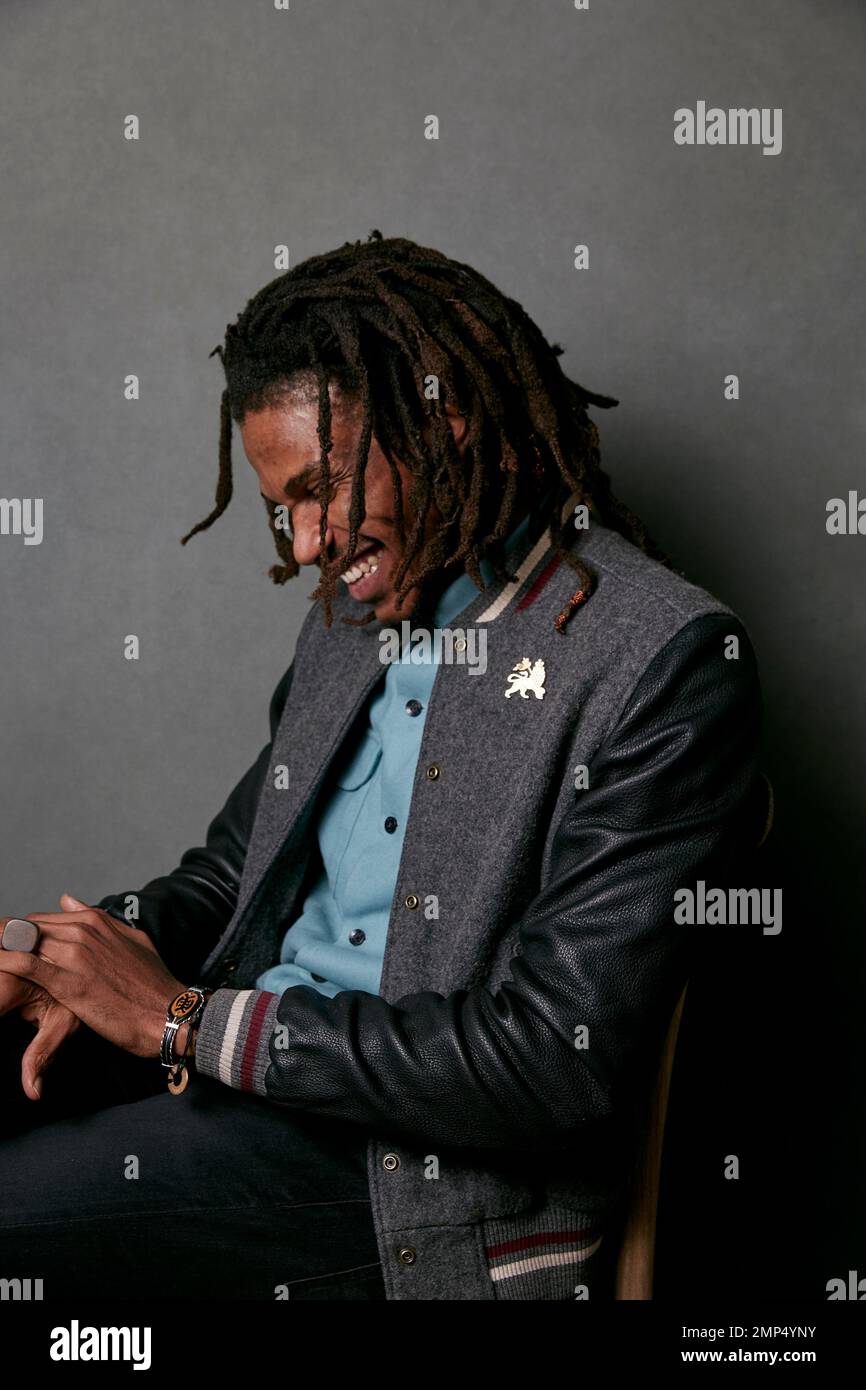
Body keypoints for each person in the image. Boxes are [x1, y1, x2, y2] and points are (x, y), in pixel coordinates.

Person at [0, 233, 766, 1301]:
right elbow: (231, 879)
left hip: (418, 1187)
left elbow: (554, 1058)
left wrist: (183, 1020)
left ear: (442, 425)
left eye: (319, 490)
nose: (305, 543)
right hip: (238, 1088)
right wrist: (59, 960)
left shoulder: (660, 664)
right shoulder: (351, 625)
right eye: (283, 507)